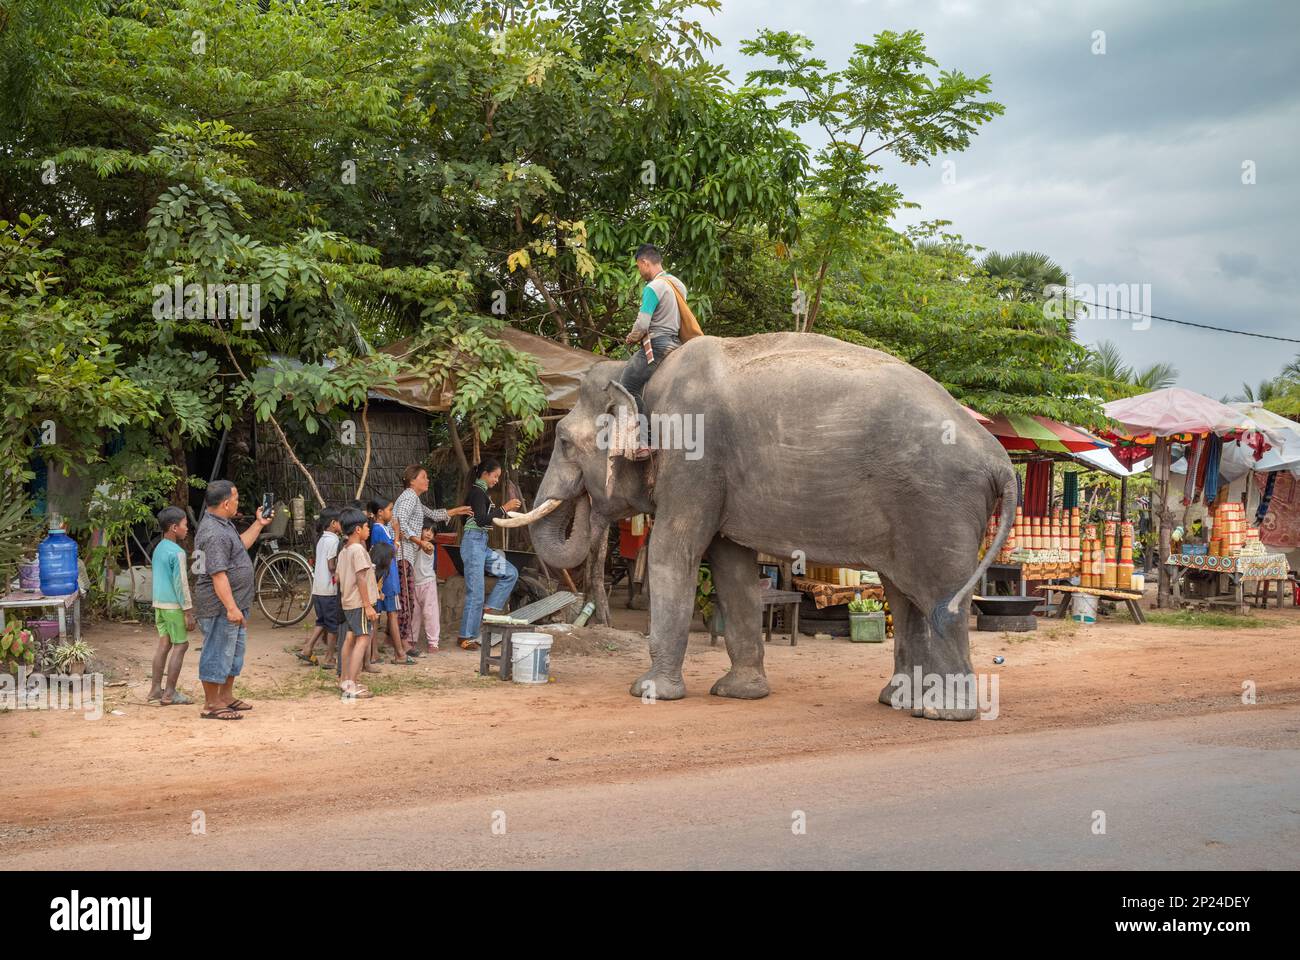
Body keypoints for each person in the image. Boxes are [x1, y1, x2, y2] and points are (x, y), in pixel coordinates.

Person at [193, 480, 272, 720]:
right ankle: (211, 704)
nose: (238, 502)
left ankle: (225, 697)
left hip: (234, 604)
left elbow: (241, 545)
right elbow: (218, 575)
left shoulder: (223, 524)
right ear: (226, 503)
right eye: (236, 498)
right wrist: (230, 607)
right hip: (220, 607)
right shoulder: (214, 532)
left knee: (233, 653)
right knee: (217, 652)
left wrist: (259, 524)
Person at [392, 465, 472, 654]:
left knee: (407, 602)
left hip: (406, 555)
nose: (427, 480)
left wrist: (455, 511)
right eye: (424, 477)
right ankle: (402, 644)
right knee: (405, 602)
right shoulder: (409, 497)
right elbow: (400, 523)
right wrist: (419, 541)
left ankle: (402, 641)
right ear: (412, 481)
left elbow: (433, 514)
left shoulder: (414, 499)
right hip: (402, 555)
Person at [619, 243, 687, 456]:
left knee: (626, 387)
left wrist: (631, 338)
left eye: (639, 267)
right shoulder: (678, 285)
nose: (640, 272)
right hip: (676, 345)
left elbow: (642, 325)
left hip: (657, 345)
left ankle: (643, 442)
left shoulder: (653, 288)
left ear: (644, 262)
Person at [457, 459, 520, 650]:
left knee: (510, 573)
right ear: (485, 473)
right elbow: (483, 519)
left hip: (481, 545)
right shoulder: (477, 492)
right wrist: (505, 508)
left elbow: (479, 518)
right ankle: (465, 637)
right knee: (475, 593)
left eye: (498, 477)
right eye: (495, 476)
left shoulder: (482, 495)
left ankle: (488, 608)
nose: (496, 480)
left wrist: (500, 511)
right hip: (474, 544)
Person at [147, 506, 195, 706]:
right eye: (185, 525)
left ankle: (155, 690)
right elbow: (181, 584)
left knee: (164, 644)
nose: (187, 529)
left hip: (159, 603)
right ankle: (170, 693)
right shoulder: (177, 552)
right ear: (174, 527)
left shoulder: (159, 548)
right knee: (181, 645)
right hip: (174, 605)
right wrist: (188, 612)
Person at [335, 508, 377, 698]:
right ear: (358, 529)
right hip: (359, 603)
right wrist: (368, 605)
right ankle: (351, 684)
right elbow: (361, 578)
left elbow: (337, 576)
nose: (369, 529)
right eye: (367, 526)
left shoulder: (345, 550)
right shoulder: (358, 550)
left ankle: (344, 680)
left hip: (348, 602)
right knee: (363, 639)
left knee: (350, 639)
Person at [298, 508, 342, 667]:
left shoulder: (322, 539)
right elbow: (331, 565)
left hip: (318, 589)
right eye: (340, 522)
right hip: (329, 589)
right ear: (333, 524)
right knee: (332, 626)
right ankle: (329, 657)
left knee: (322, 621)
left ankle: (307, 648)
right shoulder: (334, 541)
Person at [367, 496, 404, 662]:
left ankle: (373, 654)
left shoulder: (379, 529)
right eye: (390, 509)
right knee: (392, 615)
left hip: (382, 579)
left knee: (377, 617)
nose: (392, 513)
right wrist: (397, 534)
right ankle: (400, 654)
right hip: (388, 579)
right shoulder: (380, 529)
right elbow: (391, 552)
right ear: (380, 513)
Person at [409, 517, 441, 652]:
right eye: (426, 530)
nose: (428, 533)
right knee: (414, 613)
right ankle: (411, 639)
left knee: (430, 613)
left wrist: (418, 541)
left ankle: (433, 642)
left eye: (432, 532)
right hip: (414, 584)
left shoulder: (430, 546)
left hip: (428, 584)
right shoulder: (412, 545)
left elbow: (427, 547)